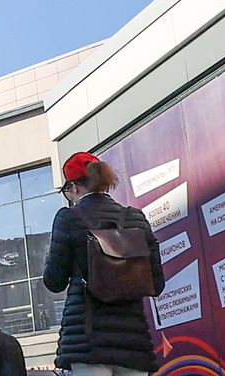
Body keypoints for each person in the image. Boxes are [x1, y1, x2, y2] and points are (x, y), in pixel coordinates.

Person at [41, 152, 163, 376]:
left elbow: (54, 281)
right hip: (132, 340)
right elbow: (157, 283)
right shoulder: (135, 218)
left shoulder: (68, 218)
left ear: (75, 187)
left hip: (87, 339)